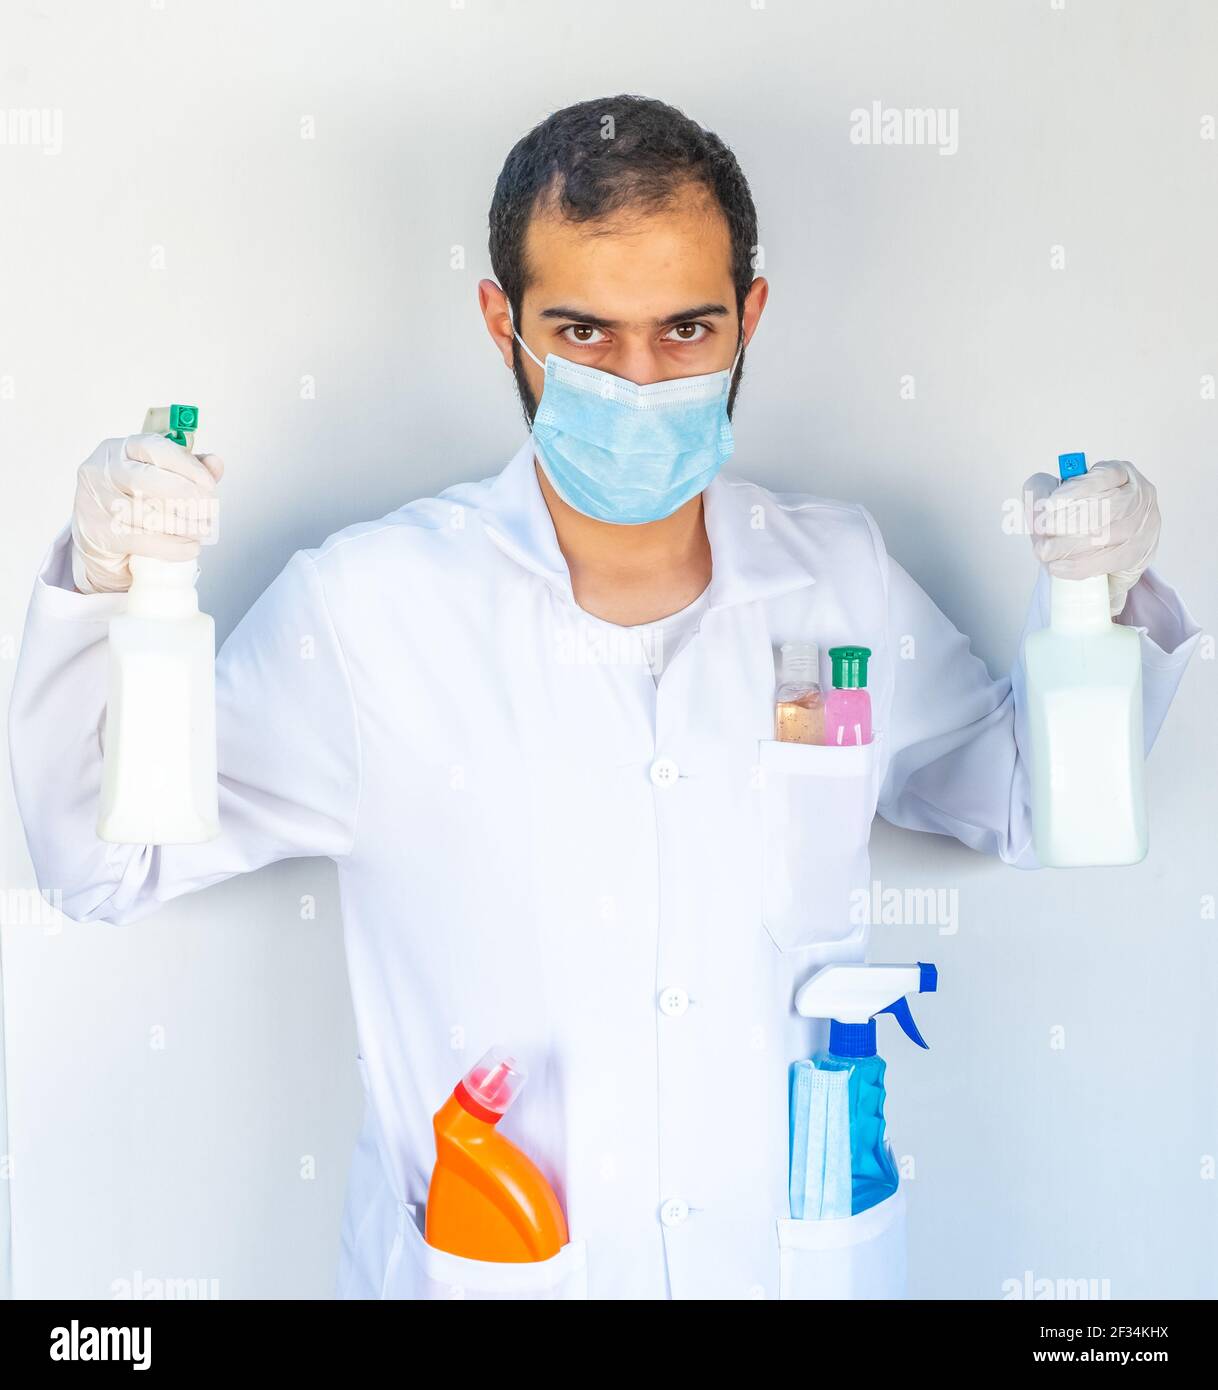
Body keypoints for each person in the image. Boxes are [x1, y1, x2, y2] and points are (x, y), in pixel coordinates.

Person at [8, 95, 1199, 1300]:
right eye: (582, 331)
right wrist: (105, 585)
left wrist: (1092, 600)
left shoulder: (836, 580)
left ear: (752, 318)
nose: (638, 380)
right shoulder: (370, 613)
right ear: (501, 323)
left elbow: (1034, 809)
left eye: (687, 329)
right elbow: (99, 868)